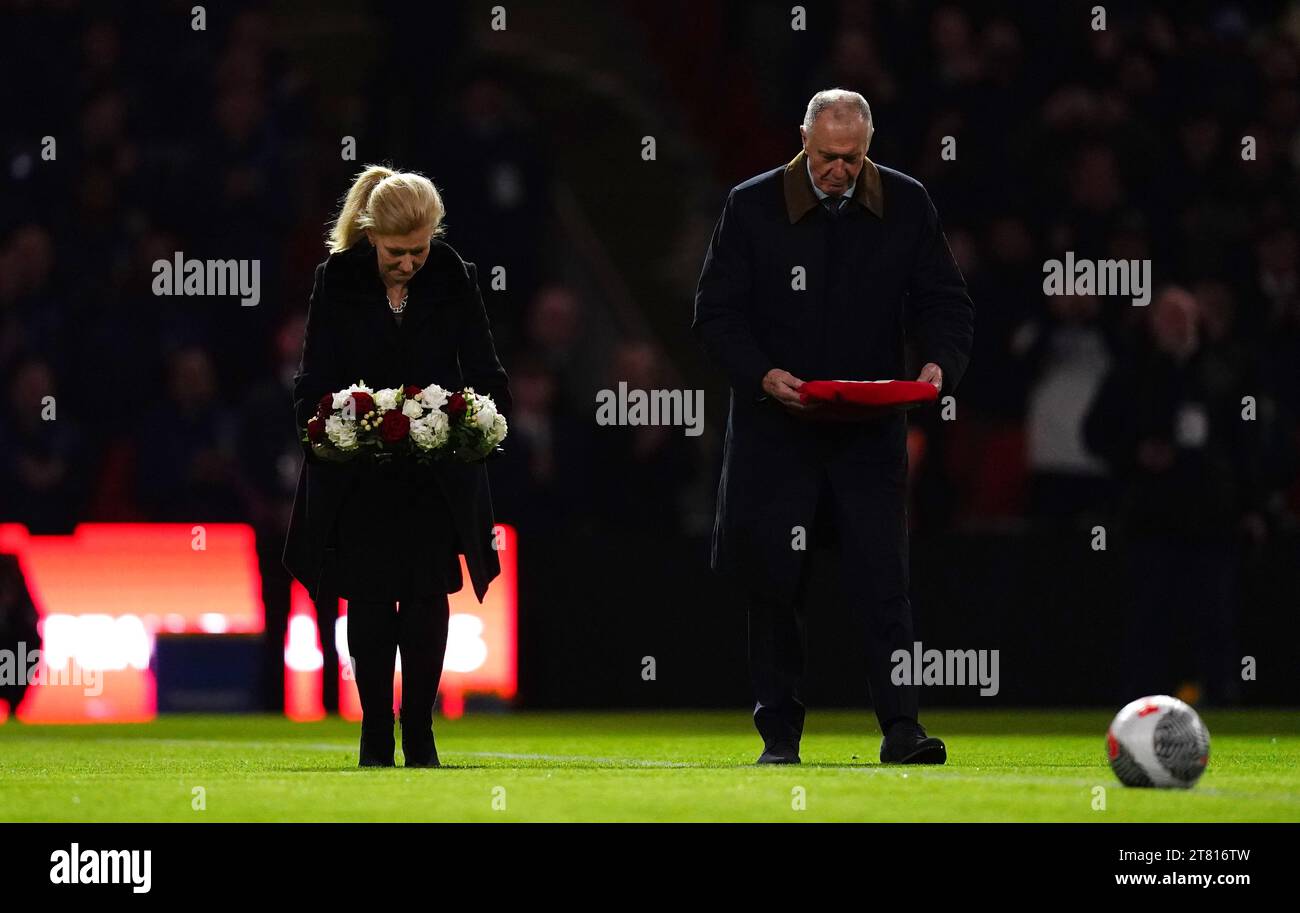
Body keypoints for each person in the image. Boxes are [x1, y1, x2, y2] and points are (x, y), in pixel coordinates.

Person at [693, 90, 974, 765]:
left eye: (852, 158)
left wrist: (940, 364)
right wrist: (763, 375)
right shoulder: (750, 205)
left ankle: (902, 727)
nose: (839, 170)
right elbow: (715, 314)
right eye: (826, 156)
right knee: (773, 581)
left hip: (869, 430)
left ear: (869, 145)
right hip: (775, 430)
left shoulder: (907, 203)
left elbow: (945, 301)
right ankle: (780, 736)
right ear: (803, 140)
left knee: (885, 581)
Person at [282, 165, 511, 767]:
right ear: (370, 233)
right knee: (370, 599)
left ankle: (421, 732)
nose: (409, 262)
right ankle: (375, 735)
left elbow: (486, 373)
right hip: (361, 476)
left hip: (434, 476)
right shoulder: (336, 279)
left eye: (418, 250)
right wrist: (333, 426)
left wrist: (475, 423)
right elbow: (312, 380)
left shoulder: (454, 276)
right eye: (395, 252)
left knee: (430, 596)